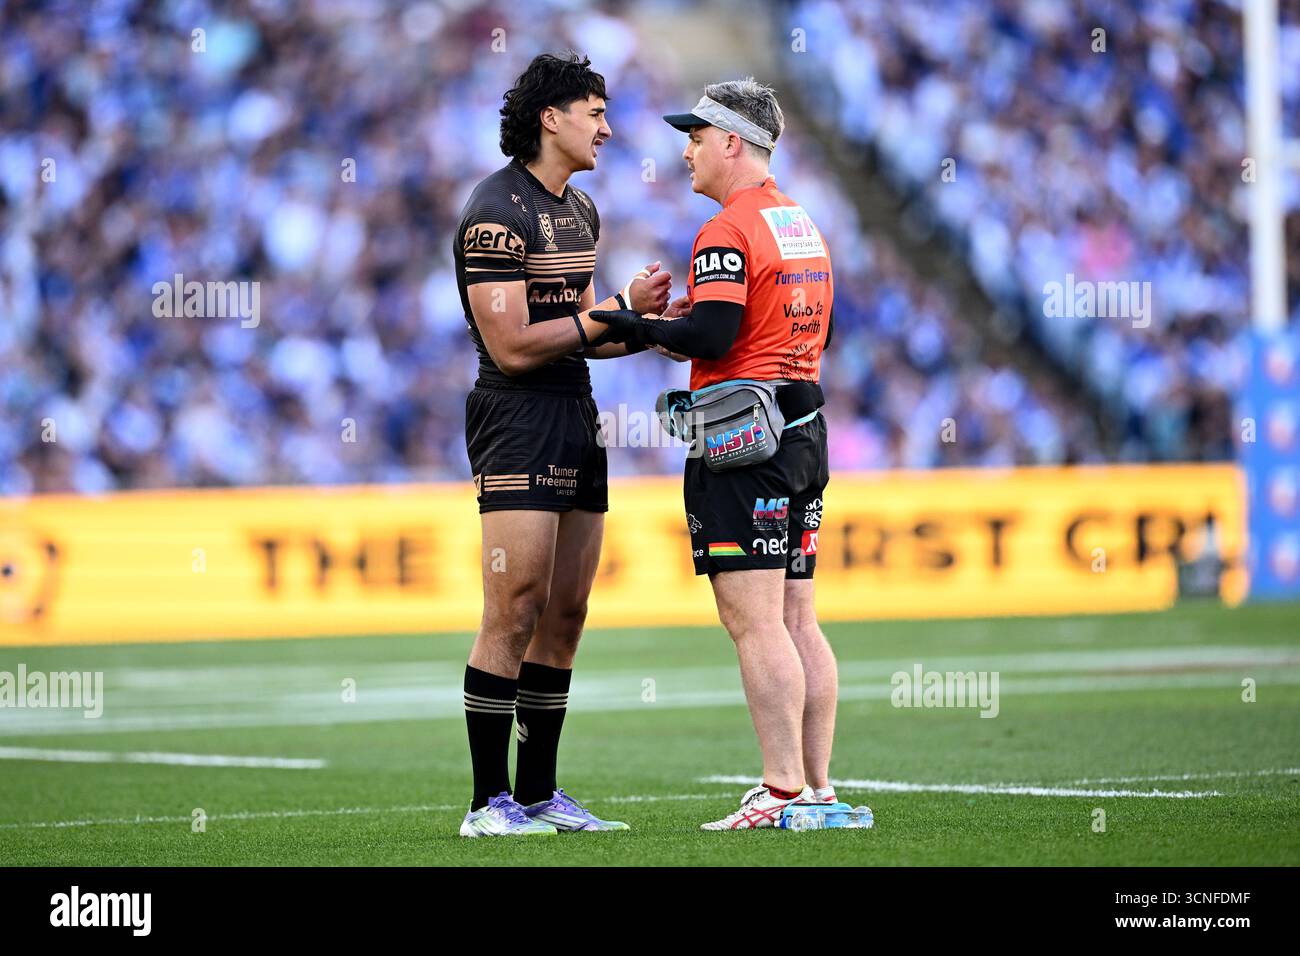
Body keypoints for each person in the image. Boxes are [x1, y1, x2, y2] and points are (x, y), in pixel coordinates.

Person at [593, 78, 840, 830]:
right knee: (799, 617)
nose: (687, 150)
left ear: (733, 142)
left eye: (697, 136)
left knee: (755, 622)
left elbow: (715, 338)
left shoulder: (727, 230)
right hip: (804, 430)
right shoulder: (800, 221)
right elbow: (797, 336)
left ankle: (779, 791)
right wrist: (693, 337)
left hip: (746, 447)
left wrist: (639, 325)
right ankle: (817, 790)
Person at [452, 52, 671, 836]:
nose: (608, 129)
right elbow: (512, 346)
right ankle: (487, 803)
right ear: (552, 118)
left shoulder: (579, 211)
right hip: (515, 417)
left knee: (568, 611)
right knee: (514, 605)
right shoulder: (494, 212)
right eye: (595, 112)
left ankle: (540, 793)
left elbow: (582, 335)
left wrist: (650, 332)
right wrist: (614, 307)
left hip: (575, 415)